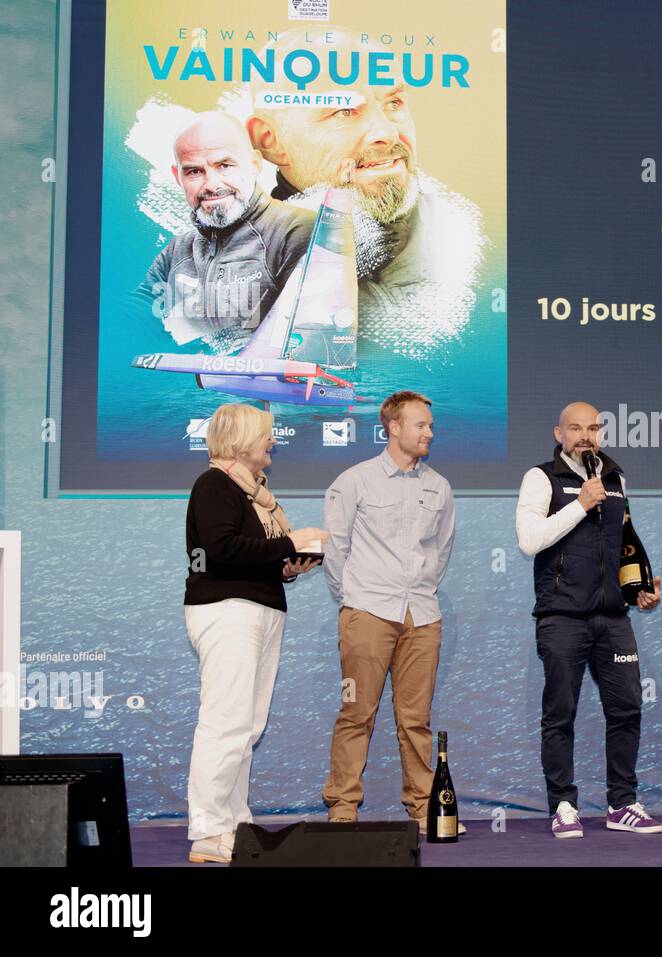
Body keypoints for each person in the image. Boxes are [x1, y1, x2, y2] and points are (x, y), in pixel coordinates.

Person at [246, 29, 485, 360]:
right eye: (344, 111)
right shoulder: (238, 268)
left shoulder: (469, 251)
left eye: (394, 103)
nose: (387, 133)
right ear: (270, 140)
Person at [515, 402, 662, 837]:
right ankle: (563, 804)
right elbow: (529, 541)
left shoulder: (615, 478)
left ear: (600, 432)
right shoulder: (541, 477)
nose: (585, 435)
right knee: (561, 713)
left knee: (627, 709)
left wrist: (638, 594)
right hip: (561, 616)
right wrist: (580, 504)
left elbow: (623, 543)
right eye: (575, 428)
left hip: (613, 619)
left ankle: (623, 804)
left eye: (592, 428)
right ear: (558, 433)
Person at [184, 402, 325, 863]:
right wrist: (291, 541)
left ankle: (235, 823)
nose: (273, 441)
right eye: (267, 433)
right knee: (225, 723)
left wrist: (288, 565)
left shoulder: (255, 495)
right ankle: (208, 832)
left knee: (246, 726)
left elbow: (250, 553)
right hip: (226, 611)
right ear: (242, 439)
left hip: (259, 609)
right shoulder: (215, 484)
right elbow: (220, 549)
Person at [321, 391, 456, 835]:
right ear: (393, 427)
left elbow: (439, 551)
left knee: (415, 720)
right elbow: (335, 547)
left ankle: (422, 809)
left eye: (430, 426)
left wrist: (418, 591)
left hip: (423, 614)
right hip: (367, 612)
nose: (429, 433)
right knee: (356, 713)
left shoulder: (439, 486)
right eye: (421, 425)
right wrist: (353, 599)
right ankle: (343, 808)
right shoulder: (354, 481)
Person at [137, 111, 316, 355]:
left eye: (224, 166)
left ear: (255, 164)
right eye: (194, 172)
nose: (211, 184)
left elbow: (316, 340)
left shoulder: (300, 231)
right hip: (189, 390)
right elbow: (131, 325)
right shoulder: (176, 252)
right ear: (177, 177)